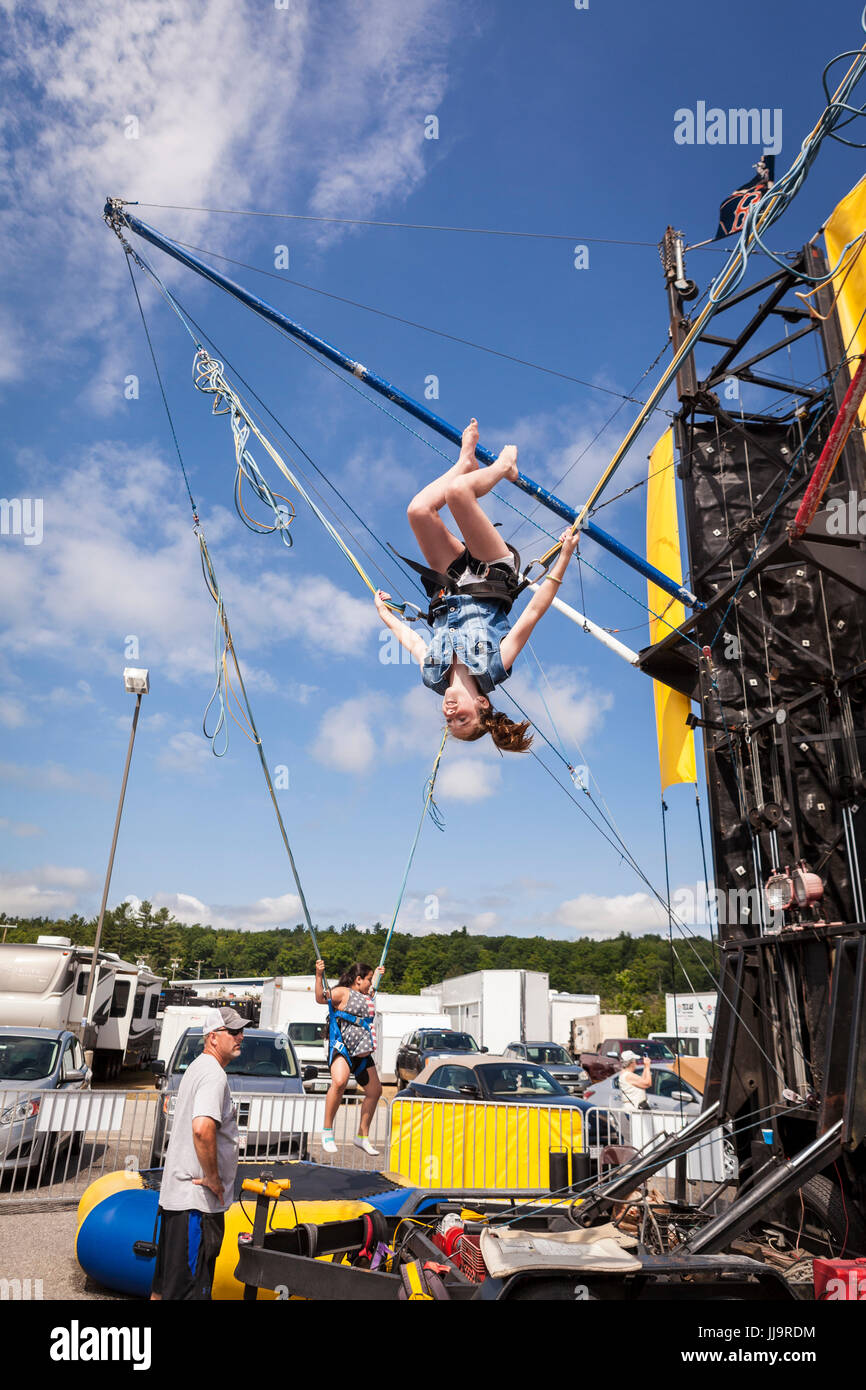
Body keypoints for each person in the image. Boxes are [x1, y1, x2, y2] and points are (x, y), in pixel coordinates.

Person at [375, 418, 580, 752]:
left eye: (450, 722)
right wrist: (566, 557)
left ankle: (465, 463)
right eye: (463, 720)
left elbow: (411, 640)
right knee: (459, 494)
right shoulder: (495, 667)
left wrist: (385, 614)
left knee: (418, 512)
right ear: (483, 705)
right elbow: (532, 614)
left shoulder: (432, 676)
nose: (451, 714)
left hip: (451, 583)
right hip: (490, 575)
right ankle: (504, 466)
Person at [150, 1005, 248, 1301]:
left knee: (164, 1288)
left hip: (178, 1201)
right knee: (189, 1291)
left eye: (241, 1030)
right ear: (213, 1037)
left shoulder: (197, 1067)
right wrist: (214, 1178)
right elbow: (202, 1128)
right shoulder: (212, 1075)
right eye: (232, 1031)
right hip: (195, 1206)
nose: (240, 1036)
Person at [315, 959, 384, 1156]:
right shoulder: (342, 992)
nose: (371, 984)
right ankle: (327, 1131)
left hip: (361, 1051)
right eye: (369, 979)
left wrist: (378, 975)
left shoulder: (367, 994)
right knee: (340, 1081)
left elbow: (372, 987)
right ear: (358, 979)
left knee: (375, 1091)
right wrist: (319, 975)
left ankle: (362, 1135)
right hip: (343, 1048)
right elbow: (320, 998)